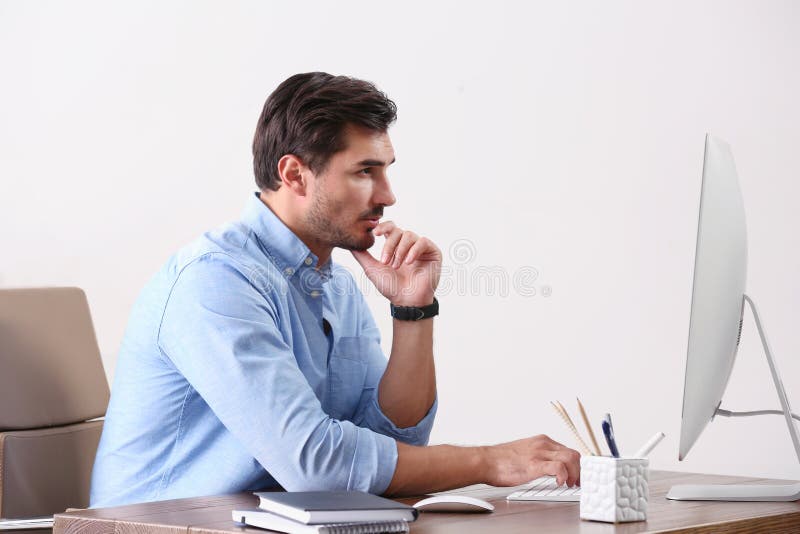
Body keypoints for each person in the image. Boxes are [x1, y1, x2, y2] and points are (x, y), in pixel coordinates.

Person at [90, 72, 581, 507]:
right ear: (294, 174)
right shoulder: (214, 283)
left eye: (386, 169)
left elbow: (387, 442)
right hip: (160, 526)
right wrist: (488, 463)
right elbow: (318, 465)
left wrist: (414, 311)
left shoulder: (336, 286)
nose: (389, 195)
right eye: (366, 171)